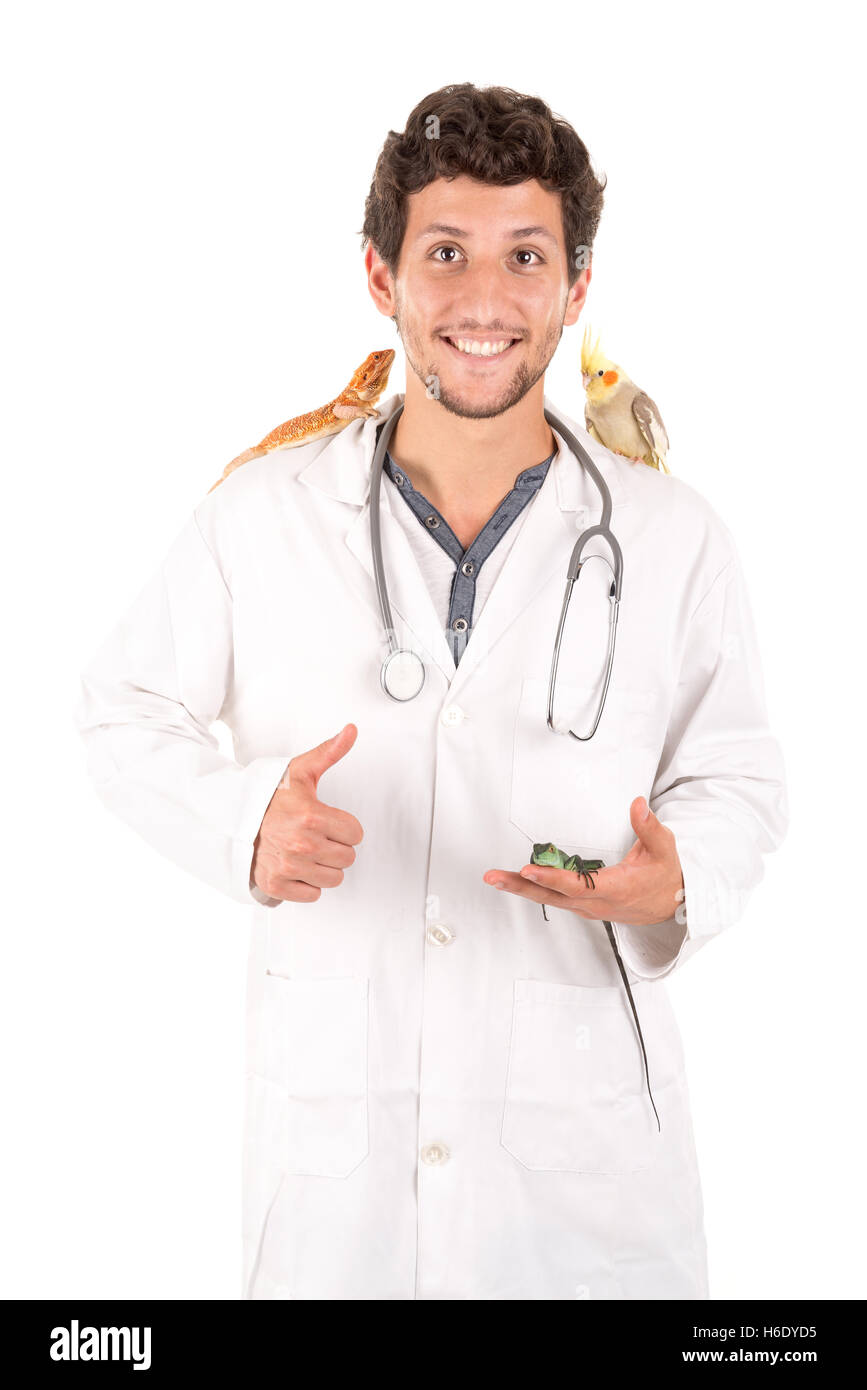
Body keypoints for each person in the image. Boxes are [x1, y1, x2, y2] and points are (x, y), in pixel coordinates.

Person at [74, 83, 789, 1300]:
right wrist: (246, 821)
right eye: (444, 253)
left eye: (526, 257)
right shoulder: (260, 516)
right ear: (380, 276)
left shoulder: (673, 536)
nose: (483, 301)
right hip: (338, 1177)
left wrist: (682, 878)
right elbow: (120, 712)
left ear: (575, 289)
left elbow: (739, 775)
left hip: (587, 1180)